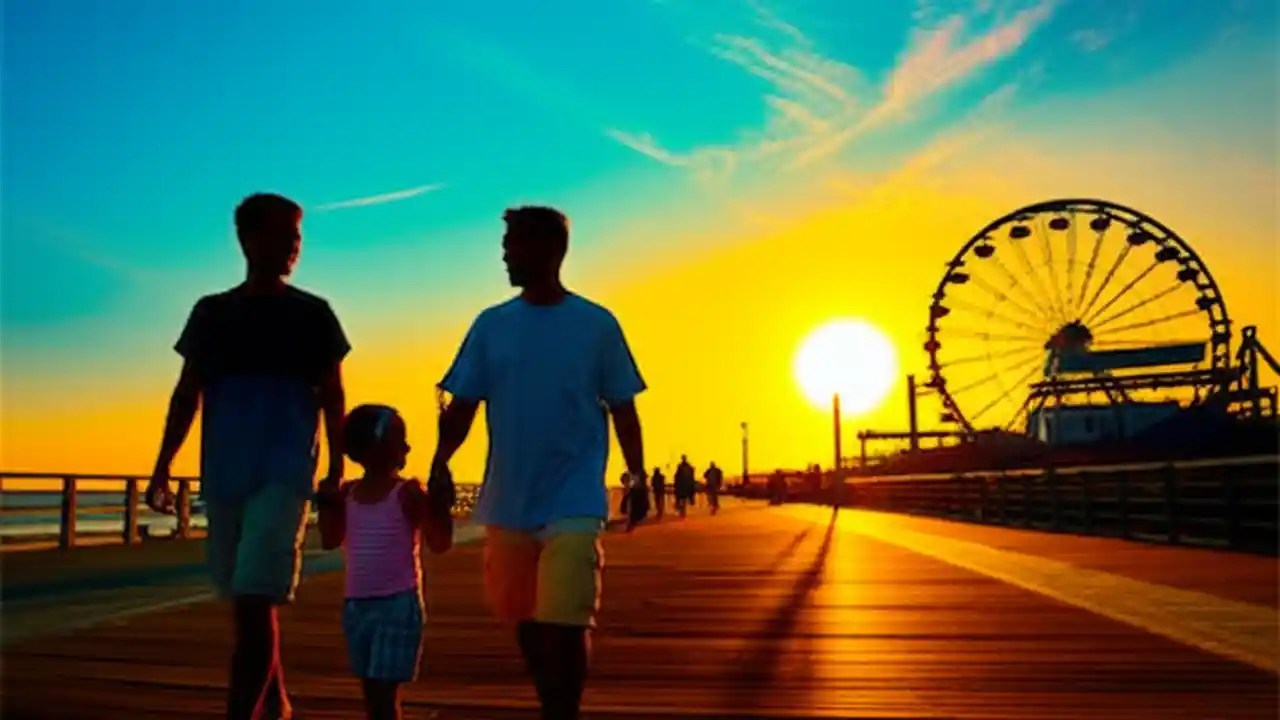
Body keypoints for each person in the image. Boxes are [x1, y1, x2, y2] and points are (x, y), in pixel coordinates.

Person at [430, 206, 647, 720]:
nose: (504, 252)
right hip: (509, 499)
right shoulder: (491, 325)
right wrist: (440, 463)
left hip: (574, 497)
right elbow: (462, 404)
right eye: (504, 242)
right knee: (524, 618)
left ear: (551, 250)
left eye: (514, 242)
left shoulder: (595, 324)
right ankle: (553, 699)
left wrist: (636, 477)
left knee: (567, 621)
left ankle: (560, 711)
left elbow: (623, 407)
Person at [145, 193, 350, 720]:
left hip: (284, 472)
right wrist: (163, 465)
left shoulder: (313, 314)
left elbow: (333, 393)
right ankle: (276, 704)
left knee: (257, 599)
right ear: (247, 239)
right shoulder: (212, 313)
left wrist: (334, 469)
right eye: (283, 235)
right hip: (225, 473)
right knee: (247, 603)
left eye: (298, 237)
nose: (293, 247)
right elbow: (185, 393)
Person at [316, 404, 453, 720]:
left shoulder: (407, 492)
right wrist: (326, 502)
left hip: (397, 604)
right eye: (399, 439)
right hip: (356, 605)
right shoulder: (348, 493)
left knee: (382, 691)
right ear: (375, 447)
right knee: (372, 692)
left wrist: (441, 507)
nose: (407, 446)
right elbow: (329, 538)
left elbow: (439, 543)